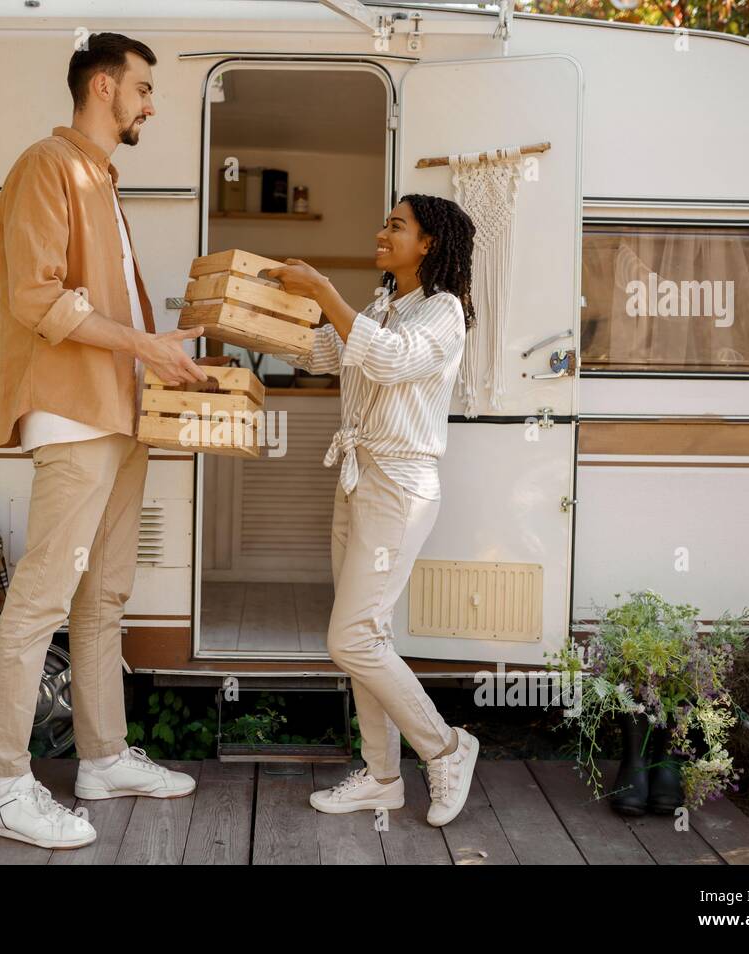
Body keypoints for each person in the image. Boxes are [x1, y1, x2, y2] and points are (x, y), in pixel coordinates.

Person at [0, 32, 223, 849]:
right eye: (145, 88)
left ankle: (103, 757)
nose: (152, 104)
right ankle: (5, 786)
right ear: (103, 85)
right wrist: (145, 346)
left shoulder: (102, 180)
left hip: (120, 416)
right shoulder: (45, 167)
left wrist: (162, 352)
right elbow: (35, 298)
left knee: (104, 596)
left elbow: (104, 313)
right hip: (73, 415)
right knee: (41, 600)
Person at [266, 195, 481, 827]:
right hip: (360, 481)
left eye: (396, 225)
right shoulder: (385, 303)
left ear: (429, 243)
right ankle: (384, 778)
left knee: (352, 636)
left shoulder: (445, 313)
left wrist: (326, 290)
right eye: (384, 220)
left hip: (399, 488)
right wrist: (239, 324)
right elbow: (326, 355)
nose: (382, 232)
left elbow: (389, 359)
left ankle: (445, 747)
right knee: (369, 637)